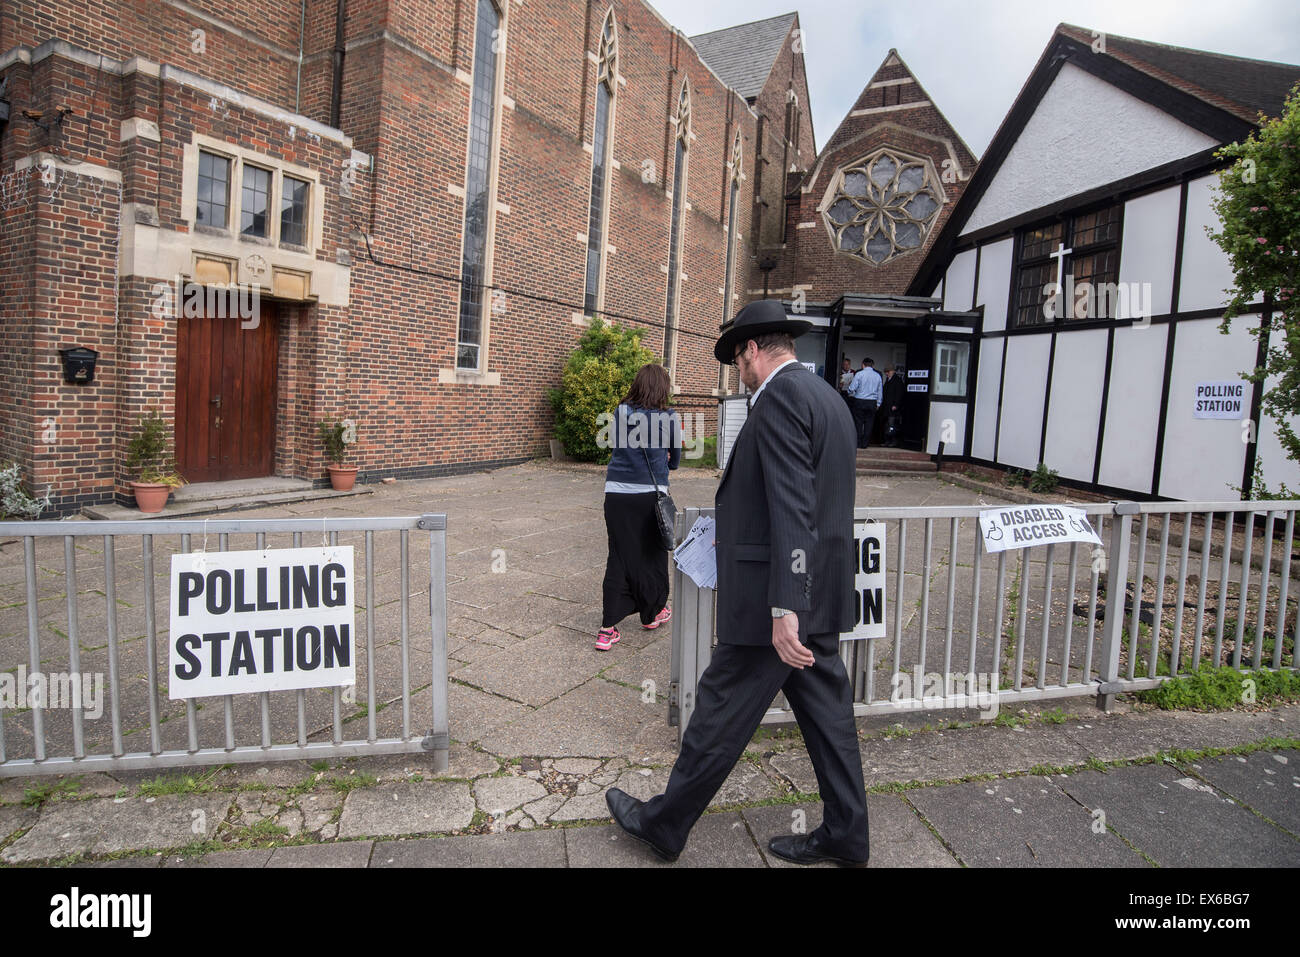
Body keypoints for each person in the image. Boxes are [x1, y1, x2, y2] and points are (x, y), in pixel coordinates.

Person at [605, 299, 869, 866]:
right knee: (829, 720)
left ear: (752, 350)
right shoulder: (831, 398)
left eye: (737, 361)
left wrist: (784, 606)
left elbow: (794, 506)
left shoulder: (778, 400)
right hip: (820, 593)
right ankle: (848, 833)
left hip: (775, 604)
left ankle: (664, 824)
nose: (738, 373)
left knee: (719, 712)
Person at [596, 364, 681, 650]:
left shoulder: (620, 412)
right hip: (649, 494)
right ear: (662, 388)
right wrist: (667, 461)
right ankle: (653, 612)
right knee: (653, 555)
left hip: (617, 494)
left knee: (619, 555)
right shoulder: (669, 417)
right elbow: (676, 458)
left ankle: (607, 629)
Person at [846, 357, 882, 449]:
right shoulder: (877, 376)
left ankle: (858, 443)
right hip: (872, 402)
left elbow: (852, 388)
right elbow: (880, 391)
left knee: (858, 423)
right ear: (872, 365)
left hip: (860, 401)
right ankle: (865, 444)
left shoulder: (859, 374)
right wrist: (878, 403)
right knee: (869, 423)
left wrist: (850, 392)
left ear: (863, 365)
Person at [882, 364, 905, 447]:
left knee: (892, 425)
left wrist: (896, 404)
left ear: (892, 371)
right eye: (886, 372)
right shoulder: (888, 380)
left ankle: (893, 441)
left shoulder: (897, 380)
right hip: (887, 407)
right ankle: (887, 441)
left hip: (893, 408)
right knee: (887, 425)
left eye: (888, 372)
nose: (887, 374)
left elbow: (899, 394)